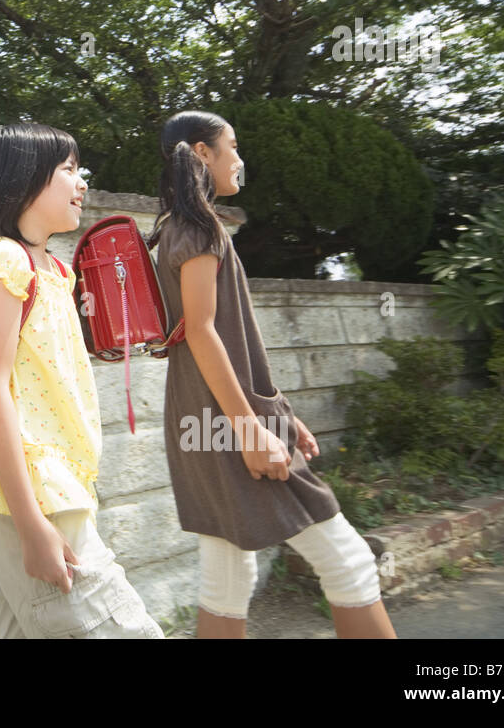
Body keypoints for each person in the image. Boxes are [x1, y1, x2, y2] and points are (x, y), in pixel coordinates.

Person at [150, 109, 396, 638]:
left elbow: (229, 344)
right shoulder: (198, 227)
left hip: (204, 419)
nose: (239, 159)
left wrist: (283, 416)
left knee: (227, 575)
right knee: (349, 562)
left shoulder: (170, 231)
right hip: (231, 424)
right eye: (231, 147)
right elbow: (202, 331)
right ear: (201, 154)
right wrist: (252, 429)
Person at [0, 122, 164, 638]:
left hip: (60, 475)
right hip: (33, 485)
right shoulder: (2, 259)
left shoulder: (58, 271)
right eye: (68, 169)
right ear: (24, 179)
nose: (82, 182)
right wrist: (32, 524)